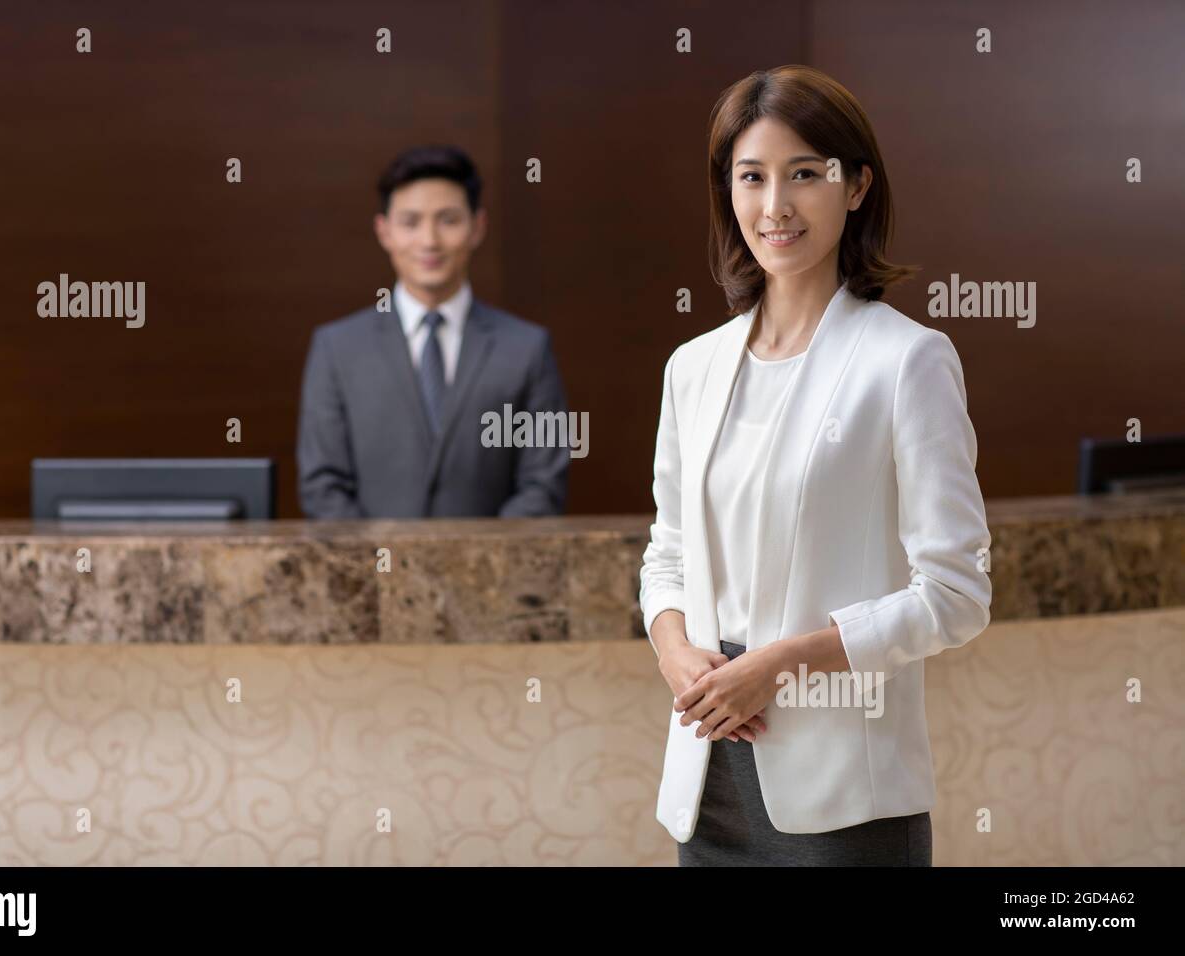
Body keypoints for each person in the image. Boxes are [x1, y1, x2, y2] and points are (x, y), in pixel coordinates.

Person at [639, 65, 992, 866]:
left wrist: (781, 663)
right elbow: (668, 553)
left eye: (806, 175)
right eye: (751, 177)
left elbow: (956, 594)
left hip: (845, 795)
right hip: (709, 782)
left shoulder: (907, 362)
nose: (775, 206)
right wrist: (673, 650)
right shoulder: (692, 367)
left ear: (857, 185)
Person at [297, 145, 569, 519]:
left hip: (493, 574)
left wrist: (478, 568)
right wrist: (382, 568)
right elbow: (322, 486)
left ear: (477, 227)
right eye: (410, 222)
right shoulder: (336, 348)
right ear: (384, 231)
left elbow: (544, 483)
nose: (429, 241)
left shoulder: (529, 348)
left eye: (448, 220)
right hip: (374, 572)